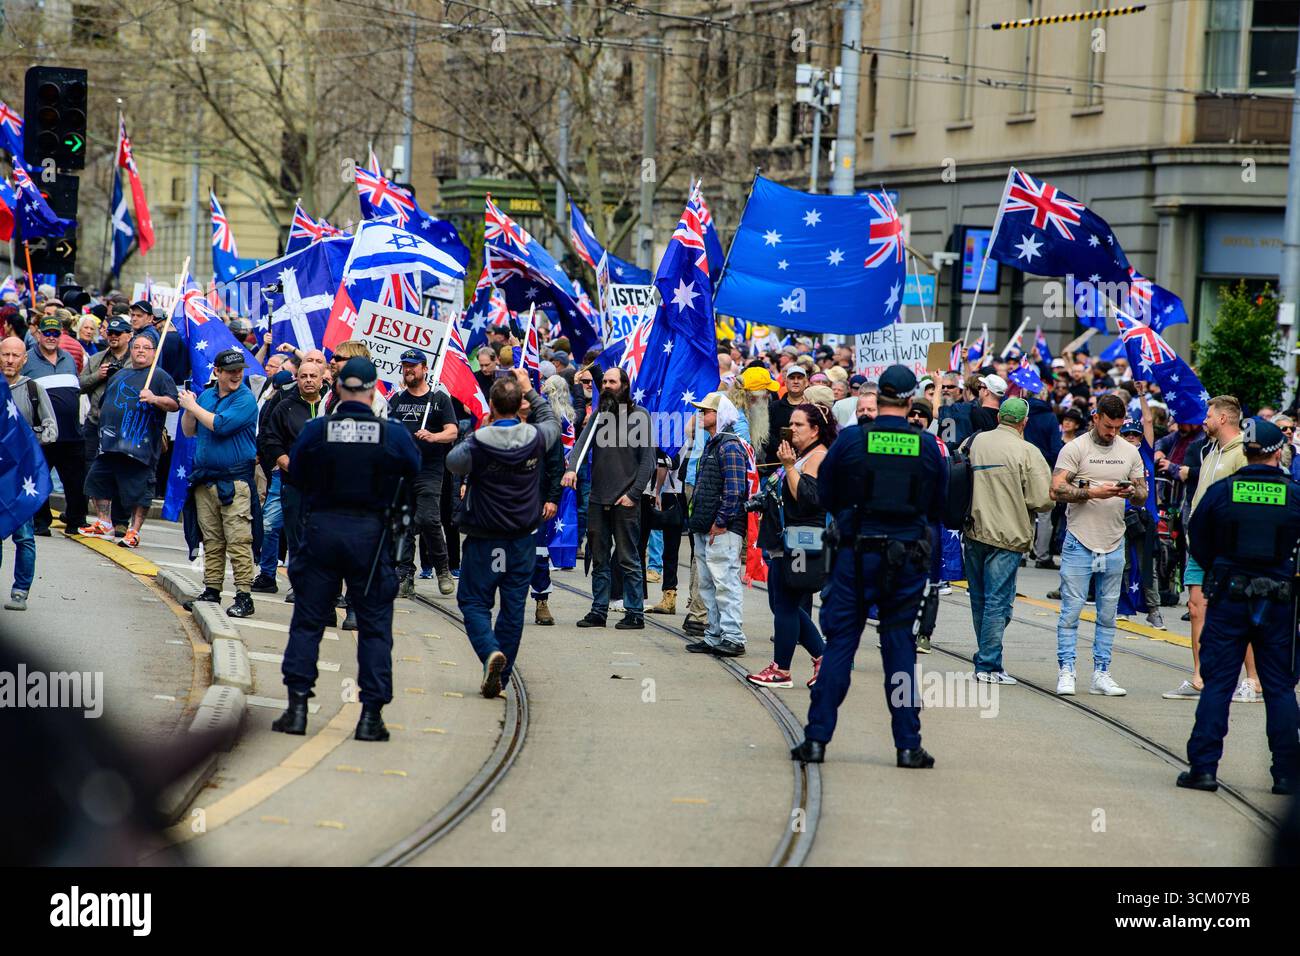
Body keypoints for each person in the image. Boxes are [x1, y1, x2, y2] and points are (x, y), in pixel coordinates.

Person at [790, 365, 946, 767]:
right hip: (906, 559)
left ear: (880, 398)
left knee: (841, 645)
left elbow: (825, 492)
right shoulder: (928, 446)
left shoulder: (853, 441)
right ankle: (908, 746)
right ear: (911, 400)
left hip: (855, 555)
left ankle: (817, 740)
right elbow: (939, 506)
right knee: (899, 649)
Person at [273, 357, 419, 742]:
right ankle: (370, 717)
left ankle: (298, 708)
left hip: (321, 530)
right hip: (370, 539)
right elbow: (413, 470)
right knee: (373, 629)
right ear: (373, 391)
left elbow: (298, 474)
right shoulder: (393, 434)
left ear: (336, 388)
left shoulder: (317, 430)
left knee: (308, 621)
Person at [1178, 417, 1300, 795]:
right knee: (1279, 688)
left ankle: (1203, 769)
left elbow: (1197, 538)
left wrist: (1221, 567)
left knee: (1217, 684)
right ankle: (1286, 775)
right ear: (1277, 452)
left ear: (1246, 452)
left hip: (1230, 596)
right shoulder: (1294, 494)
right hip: (1279, 599)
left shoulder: (1222, 492)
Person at [447, 370, 561, 698]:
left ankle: (488, 653)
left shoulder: (480, 441)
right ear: (519, 403)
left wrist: (480, 431)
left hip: (485, 538)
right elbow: (552, 423)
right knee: (513, 609)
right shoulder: (536, 437)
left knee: (472, 601)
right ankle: (502, 675)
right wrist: (532, 392)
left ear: (493, 406)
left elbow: (454, 463)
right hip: (522, 538)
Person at [1050, 393, 1146, 697]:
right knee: (1071, 610)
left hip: (1114, 539)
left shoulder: (1129, 452)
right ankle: (1067, 670)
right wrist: (1092, 492)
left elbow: (1143, 493)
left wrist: (1132, 491)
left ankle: (1101, 672)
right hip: (1080, 539)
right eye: (1108, 426)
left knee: (1108, 613)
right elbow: (1055, 489)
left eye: (1117, 428)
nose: (1112, 433)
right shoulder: (1075, 448)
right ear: (1095, 418)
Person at [1166, 396, 1255, 701]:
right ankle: (1199, 678)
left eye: (1209, 415)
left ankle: (1253, 680)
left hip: (1227, 548)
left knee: (1237, 614)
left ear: (1223, 419)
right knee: (1195, 609)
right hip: (1199, 546)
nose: (1204, 419)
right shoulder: (1210, 451)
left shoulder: (1242, 452)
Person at [962, 397, 1053, 683]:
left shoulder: (973, 442)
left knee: (979, 599)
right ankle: (988, 665)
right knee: (998, 602)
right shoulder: (1028, 452)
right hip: (1008, 536)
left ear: (999, 416)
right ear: (1024, 422)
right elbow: (1042, 499)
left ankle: (986, 658)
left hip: (974, 531)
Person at [747, 403, 835, 688]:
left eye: (799, 425)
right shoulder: (804, 456)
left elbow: (809, 499)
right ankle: (824, 659)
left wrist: (787, 466)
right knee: (781, 602)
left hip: (799, 543)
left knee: (785, 604)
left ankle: (781, 670)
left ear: (815, 430)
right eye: (791, 424)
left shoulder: (819, 457)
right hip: (783, 541)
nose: (792, 429)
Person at [563, 366, 654, 629]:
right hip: (598, 499)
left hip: (625, 501)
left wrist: (633, 494)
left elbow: (647, 461)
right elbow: (581, 445)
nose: (606, 385)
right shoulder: (600, 416)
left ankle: (634, 613)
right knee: (599, 557)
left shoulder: (639, 416)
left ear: (624, 385)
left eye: (612, 381)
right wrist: (571, 470)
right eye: (604, 381)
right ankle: (598, 610)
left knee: (628, 558)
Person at [177, 349, 260, 618]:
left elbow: (221, 425)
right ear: (218, 372)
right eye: (231, 371)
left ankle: (244, 595)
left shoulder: (245, 399)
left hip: (234, 482)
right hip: (206, 481)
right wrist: (189, 409)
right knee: (211, 540)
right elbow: (189, 430)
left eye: (240, 371)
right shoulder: (207, 396)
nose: (237, 375)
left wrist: (194, 407)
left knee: (238, 540)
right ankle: (211, 590)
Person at [78, 334, 180, 548]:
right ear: (131, 350)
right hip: (110, 445)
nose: (141, 351)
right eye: (137, 347)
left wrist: (154, 398)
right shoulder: (120, 374)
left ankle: (134, 531)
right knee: (97, 481)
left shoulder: (160, 376)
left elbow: (174, 404)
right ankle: (104, 524)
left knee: (139, 491)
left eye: (146, 347)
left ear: (154, 352)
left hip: (140, 447)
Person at [683, 392, 751, 657]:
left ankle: (733, 636)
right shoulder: (714, 443)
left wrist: (721, 521)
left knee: (724, 582)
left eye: (706, 411)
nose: (701, 414)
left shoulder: (729, 445)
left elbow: (735, 490)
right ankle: (714, 634)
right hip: (707, 526)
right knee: (709, 584)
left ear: (719, 414)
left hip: (722, 528)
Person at [387, 348, 458, 598]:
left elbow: (452, 431)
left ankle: (442, 569)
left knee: (428, 519)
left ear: (424, 369)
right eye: (405, 365)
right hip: (401, 471)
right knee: (403, 523)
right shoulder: (395, 399)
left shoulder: (439, 399)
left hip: (429, 468)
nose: (408, 369)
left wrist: (433, 436)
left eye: (413, 365)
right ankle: (405, 574)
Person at [258, 359, 326, 604]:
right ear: (297, 379)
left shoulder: (332, 406)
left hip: (325, 486)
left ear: (322, 380)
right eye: (303, 376)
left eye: (313, 376)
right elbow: (270, 439)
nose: (308, 380)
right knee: (295, 535)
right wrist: (287, 462)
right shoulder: (284, 406)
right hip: (293, 482)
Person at [0, 336, 56, 610]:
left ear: (24, 359)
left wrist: (25, 440)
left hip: (22, 481)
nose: (10, 360)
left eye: (15, 356)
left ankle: (20, 590)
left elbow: (51, 429)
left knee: (24, 536)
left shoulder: (34, 389)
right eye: (5, 354)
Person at [24, 315, 87, 536]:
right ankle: (41, 523)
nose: (51, 337)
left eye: (55, 333)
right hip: (42, 434)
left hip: (71, 433)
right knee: (40, 479)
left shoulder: (69, 358)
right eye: (47, 333)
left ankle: (76, 521)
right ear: (38, 334)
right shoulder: (27, 359)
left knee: (76, 482)